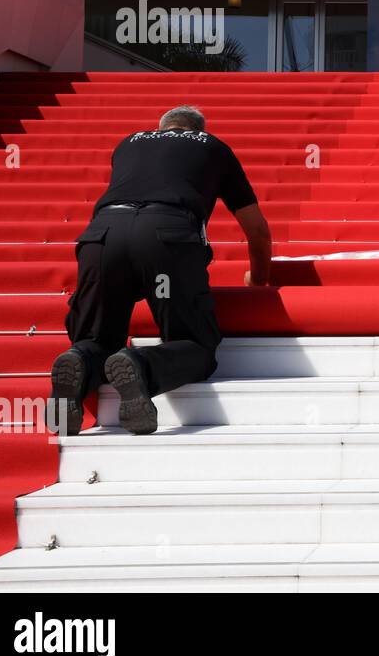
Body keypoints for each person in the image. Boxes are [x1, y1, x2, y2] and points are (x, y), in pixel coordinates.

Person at [47, 106, 272, 437]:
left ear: (161, 127)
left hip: (102, 236)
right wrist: (259, 280)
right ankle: (141, 365)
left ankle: (79, 362)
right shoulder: (211, 146)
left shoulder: (129, 143)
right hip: (166, 237)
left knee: (97, 337)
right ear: (198, 129)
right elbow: (257, 230)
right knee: (195, 345)